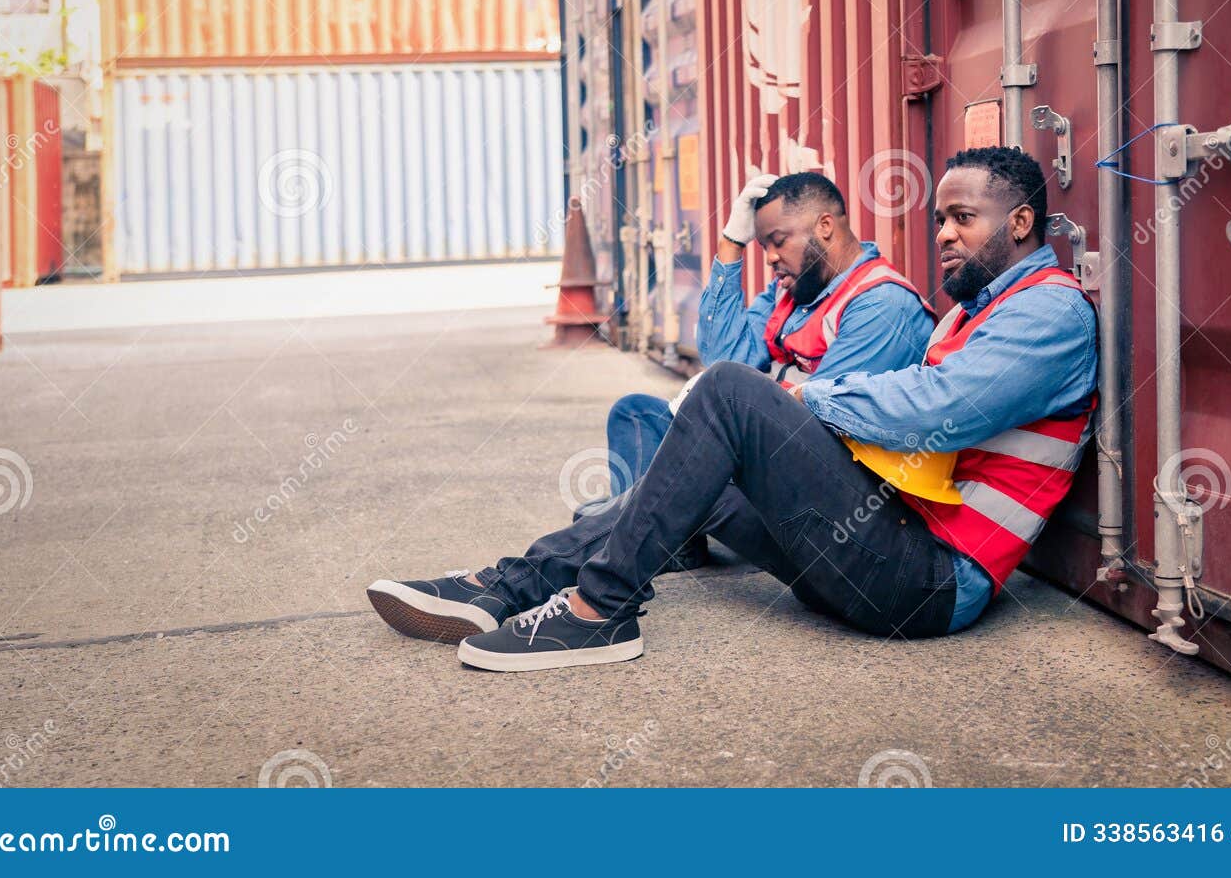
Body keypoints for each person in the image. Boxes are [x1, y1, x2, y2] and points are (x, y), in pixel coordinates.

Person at [367, 146, 1097, 671]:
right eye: (940, 218)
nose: (942, 233)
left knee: (727, 396)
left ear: (1023, 222)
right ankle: (507, 587)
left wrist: (805, 393)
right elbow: (730, 350)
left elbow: (941, 408)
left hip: (931, 580)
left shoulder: (1049, 311)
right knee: (699, 449)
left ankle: (598, 612)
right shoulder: (970, 313)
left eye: (962, 218)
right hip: (886, 543)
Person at [582, 171, 935, 571]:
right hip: (772, 458)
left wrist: (728, 426)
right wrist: (732, 243)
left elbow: (820, 434)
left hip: (829, 500)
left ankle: (636, 529)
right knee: (636, 414)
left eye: (778, 242)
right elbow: (724, 357)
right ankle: (666, 539)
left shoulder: (881, 305)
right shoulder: (794, 290)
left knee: (692, 459)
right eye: (762, 244)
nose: (768, 257)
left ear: (824, 227)